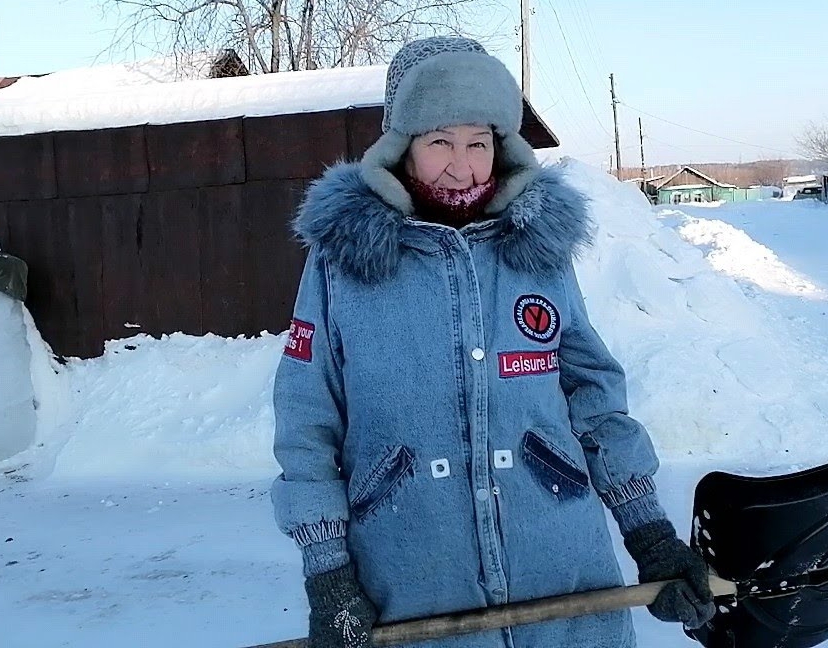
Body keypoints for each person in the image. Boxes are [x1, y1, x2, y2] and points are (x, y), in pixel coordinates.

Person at [270, 36, 715, 648]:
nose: (462, 165)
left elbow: (593, 397)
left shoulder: (537, 249)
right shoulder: (343, 260)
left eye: (478, 142)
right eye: (439, 143)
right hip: (412, 579)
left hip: (563, 575)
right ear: (400, 148)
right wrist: (328, 574)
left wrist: (650, 536)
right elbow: (306, 417)